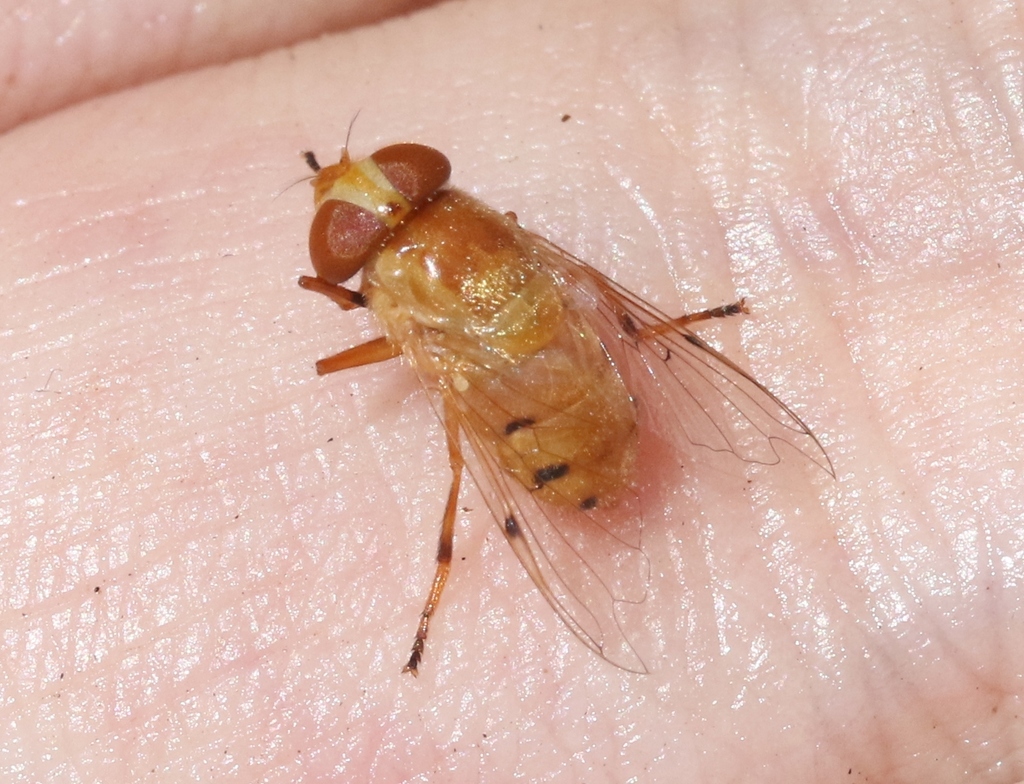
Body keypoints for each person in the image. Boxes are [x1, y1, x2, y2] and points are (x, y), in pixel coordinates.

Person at [2, 1, 1020, 781]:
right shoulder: (476, 223)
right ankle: (657, 359)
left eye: (373, 187)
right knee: (599, 311)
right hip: (568, 383)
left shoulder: (395, 279)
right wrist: (672, 331)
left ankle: (443, 578)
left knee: (461, 442)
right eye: (356, 204)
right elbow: (592, 297)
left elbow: (380, 362)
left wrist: (345, 292)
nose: (361, 188)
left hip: (531, 417)